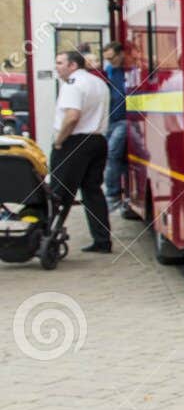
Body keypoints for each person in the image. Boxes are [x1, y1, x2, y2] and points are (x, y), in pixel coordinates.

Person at [51, 50, 112, 253]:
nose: (57, 66)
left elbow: (72, 116)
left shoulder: (72, 84)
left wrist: (59, 142)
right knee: (93, 191)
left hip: (74, 142)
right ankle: (102, 241)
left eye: (60, 62)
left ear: (73, 66)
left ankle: (48, 237)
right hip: (97, 140)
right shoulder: (99, 82)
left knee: (60, 193)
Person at [101, 42, 132, 216]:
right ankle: (126, 194)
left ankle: (112, 195)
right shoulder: (110, 71)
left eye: (112, 58)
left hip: (124, 120)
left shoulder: (128, 70)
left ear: (121, 54)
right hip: (111, 120)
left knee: (113, 153)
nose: (110, 62)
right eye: (107, 59)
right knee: (118, 159)